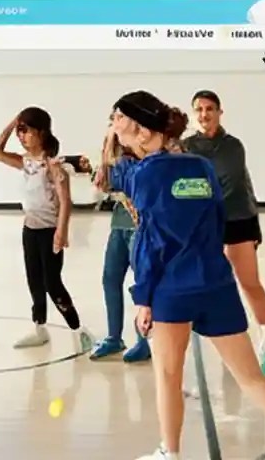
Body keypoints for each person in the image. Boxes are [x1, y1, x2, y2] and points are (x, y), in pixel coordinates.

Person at [111, 91, 265, 460]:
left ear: (142, 130)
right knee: (252, 378)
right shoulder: (199, 166)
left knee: (168, 375)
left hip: (172, 290)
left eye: (116, 118)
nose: (112, 125)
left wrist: (142, 297)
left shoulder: (146, 176)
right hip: (216, 284)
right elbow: (216, 219)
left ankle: (170, 452)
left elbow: (150, 242)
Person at [182, 90, 265, 377]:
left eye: (210, 108)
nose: (204, 114)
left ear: (219, 112)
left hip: (236, 220)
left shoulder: (233, 146)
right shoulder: (185, 147)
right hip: (203, 224)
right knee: (210, 286)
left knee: (249, 282)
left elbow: (227, 185)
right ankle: (229, 342)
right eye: (199, 109)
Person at [0, 108, 94, 352]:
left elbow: (66, 201)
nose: (22, 136)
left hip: (49, 231)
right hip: (30, 229)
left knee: (52, 283)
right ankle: (39, 327)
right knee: (34, 281)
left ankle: (79, 329)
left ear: (42, 133)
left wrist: (62, 232)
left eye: (26, 131)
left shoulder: (53, 165)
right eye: (20, 131)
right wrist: (12, 122)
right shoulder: (25, 162)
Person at [90, 119, 152, 363]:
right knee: (110, 278)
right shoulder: (113, 155)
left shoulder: (141, 153)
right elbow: (104, 185)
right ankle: (114, 336)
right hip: (119, 224)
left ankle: (144, 340)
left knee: (141, 283)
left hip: (140, 227)